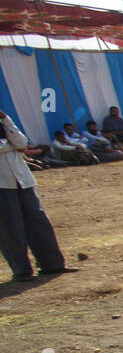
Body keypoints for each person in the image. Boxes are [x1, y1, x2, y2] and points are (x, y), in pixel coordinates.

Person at [0, 109, 76, 282]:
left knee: (39, 221)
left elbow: (21, 142)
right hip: (2, 183)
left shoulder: (4, 124)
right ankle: (22, 270)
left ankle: (52, 264)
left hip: (22, 179)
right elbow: (15, 146)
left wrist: (6, 118)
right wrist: (12, 146)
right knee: (10, 227)